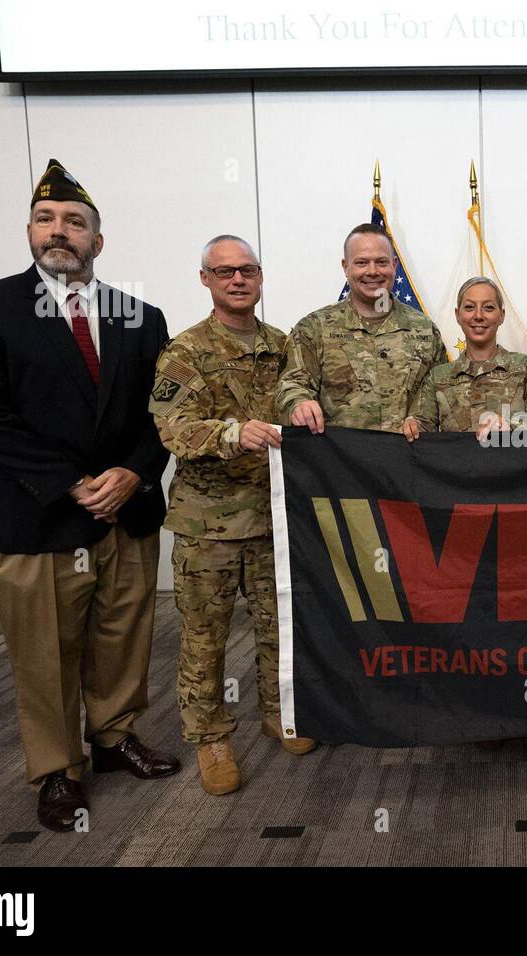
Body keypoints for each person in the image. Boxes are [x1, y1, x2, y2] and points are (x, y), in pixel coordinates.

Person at [0, 159, 179, 832]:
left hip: (125, 511)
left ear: (97, 242)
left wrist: (135, 473)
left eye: (75, 222)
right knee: (45, 651)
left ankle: (113, 738)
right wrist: (73, 483)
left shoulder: (140, 316)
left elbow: (161, 414)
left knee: (122, 636)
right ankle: (56, 769)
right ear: (28, 231)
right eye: (46, 220)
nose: (59, 232)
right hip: (34, 513)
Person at [150, 235, 316, 798]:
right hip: (208, 526)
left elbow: (307, 403)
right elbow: (172, 430)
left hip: (274, 518)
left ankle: (278, 713)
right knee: (204, 636)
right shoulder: (185, 351)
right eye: (224, 272)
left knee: (280, 629)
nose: (237, 280)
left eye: (246, 270)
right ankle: (210, 737)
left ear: (260, 276)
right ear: (206, 280)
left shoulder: (284, 345)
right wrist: (231, 432)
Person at [276, 223, 447, 433]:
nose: (373, 271)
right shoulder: (313, 329)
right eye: (362, 263)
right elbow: (291, 386)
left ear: (394, 265)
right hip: (340, 461)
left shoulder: (425, 331)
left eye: (381, 262)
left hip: (406, 459)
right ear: (345, 267)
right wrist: (298, 404)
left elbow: (440, 394)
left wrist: (422, 418)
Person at [402, 276, 527, 441]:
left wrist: (510, 426)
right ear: (457, 315)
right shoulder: (437, 377)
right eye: (469, 307)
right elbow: (422, 427)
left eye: (488, 308)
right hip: (458, 465)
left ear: (502, 315)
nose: (478, 315)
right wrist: (413, 425)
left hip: (513, 465)